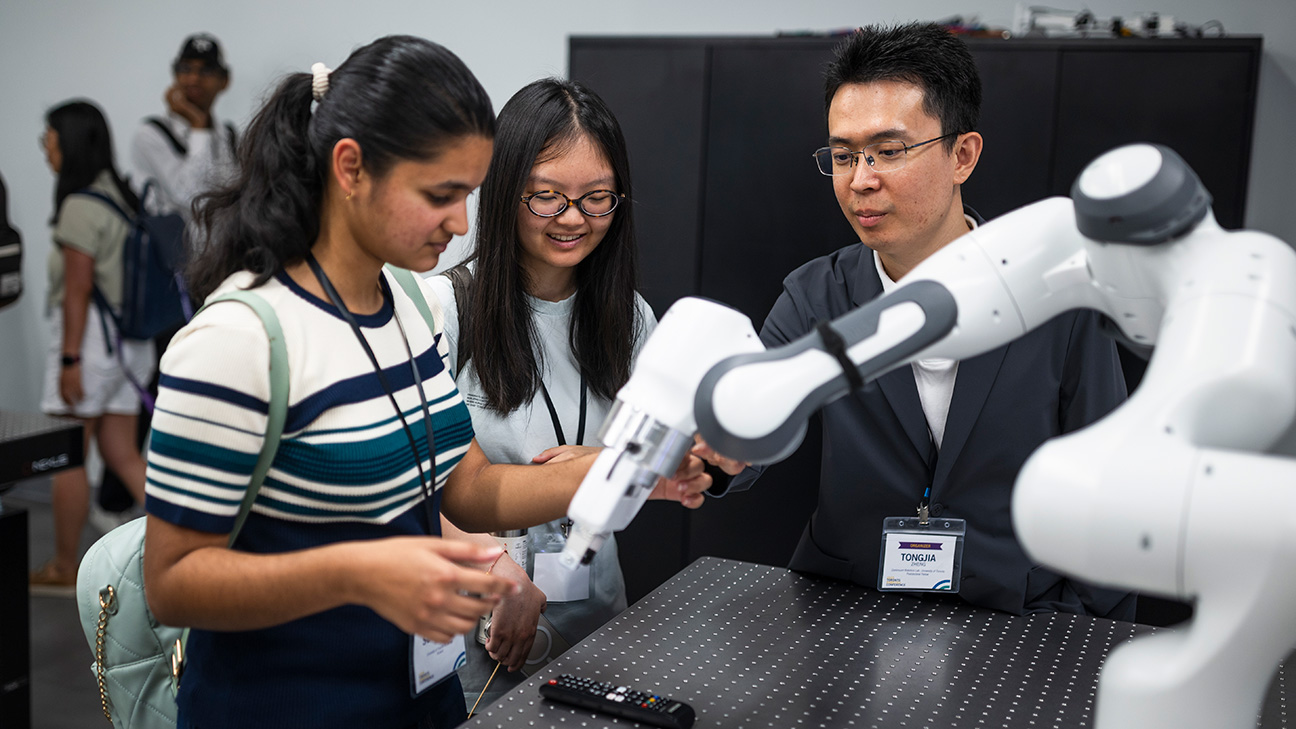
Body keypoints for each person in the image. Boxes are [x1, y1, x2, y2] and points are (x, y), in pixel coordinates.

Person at [141, 36, 710, 729]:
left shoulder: (404, 312)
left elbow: (471, 490)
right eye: (440, 195)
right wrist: (363, 571)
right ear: (350, 168)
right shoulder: (240, 338)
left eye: (469, 194)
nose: (463, 223)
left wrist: (633, 468)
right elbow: (172, 582)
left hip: (421, 697)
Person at [705, 23, 1134, 619]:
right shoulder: (817, 295)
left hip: (1012, 611)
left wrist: (1083, 646)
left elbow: (1110, 489)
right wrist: (704, 450)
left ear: (962, 155)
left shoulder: (1060, 299)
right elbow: (746, 432)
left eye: (889, 151)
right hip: (846, 605)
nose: (861, 180)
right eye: (844, 155)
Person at [427, 77, 656, 708]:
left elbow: (655, 467)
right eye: (548, 198)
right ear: (505, 193)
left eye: (598, 199)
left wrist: (605, 467)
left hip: (600, 624)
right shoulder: (445, 309)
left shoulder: (632, 319)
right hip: (477, 631)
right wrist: (491, 567)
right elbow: (417, 485)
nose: (574, 219)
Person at [31, 100, 153, 590]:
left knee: (68, 454)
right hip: (130, 347)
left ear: (72, 142)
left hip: (93, 346)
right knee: (122, 453)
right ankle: (191, 542)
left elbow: (78, 288)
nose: (45, 149)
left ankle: (63, 566)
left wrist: (69, 359)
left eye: (50, 139)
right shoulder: (120, 195)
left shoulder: (80, 205)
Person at [129, 32, 236, 222]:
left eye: (206, 70)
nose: (194, 78)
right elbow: (193, 197)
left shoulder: (230, 137)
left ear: (225, 81)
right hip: (172, 250)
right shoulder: (151, 135)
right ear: (175, 74)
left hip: (225, 249)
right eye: (185, 69)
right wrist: (198, 126)